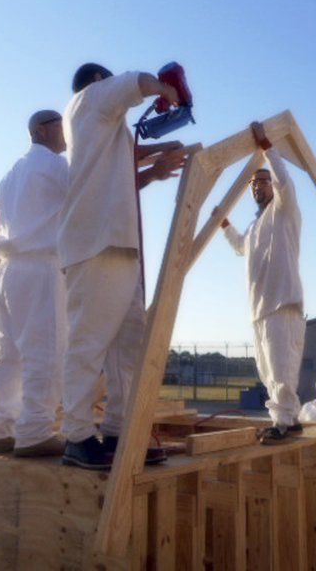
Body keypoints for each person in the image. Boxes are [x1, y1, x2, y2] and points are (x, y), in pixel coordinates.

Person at [58, 63, 187, 470]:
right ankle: (77, 437)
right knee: (89, 343)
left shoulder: (100, 130)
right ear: (98, 81)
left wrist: (158, 164)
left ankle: (117, 431)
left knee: (125, 347)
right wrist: (169, 90)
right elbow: (137, 81)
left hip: (115, 245)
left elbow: (124, 166)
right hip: (98, 245)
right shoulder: (90, 99)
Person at [0, 110, 69, 457]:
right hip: (38, 268)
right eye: (62, 127)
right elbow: (92, 190)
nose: (67, 135)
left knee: (10, 355)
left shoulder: (10, 176)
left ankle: (0, 429)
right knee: (44, 351)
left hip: (6, 274)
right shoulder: (54, 166)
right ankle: (34, 432)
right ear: (43, 130)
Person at [218, 122, 305, 445]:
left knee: (282, 366)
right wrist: (224, 224)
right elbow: (241, 246)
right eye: (254, 183)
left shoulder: (284, 212)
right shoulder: (255, 227)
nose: (259, 187)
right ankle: (284, 419)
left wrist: (268, 150)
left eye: (263, 181)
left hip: (283, 303)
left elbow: (286, 183)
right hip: (260, 307)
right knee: (267, 368)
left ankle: (285, 421)